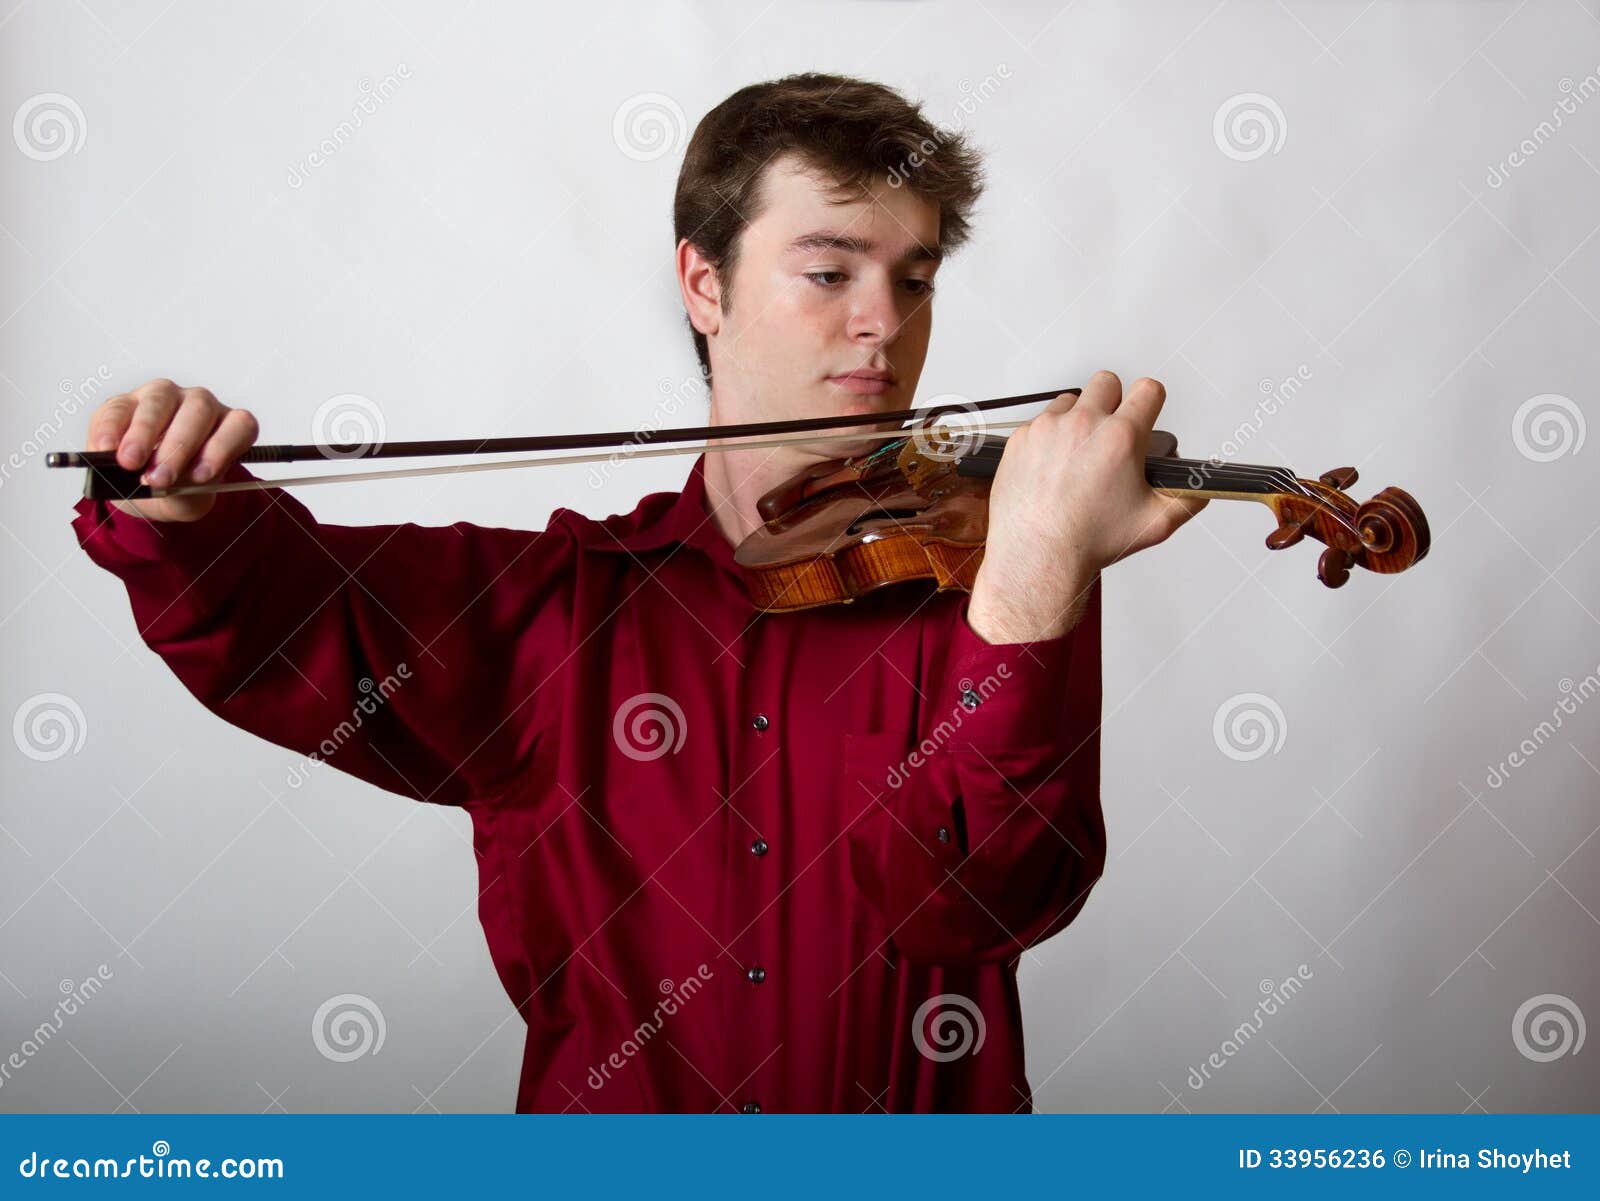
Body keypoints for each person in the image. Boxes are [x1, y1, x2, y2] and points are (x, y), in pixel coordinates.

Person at [70, 72, 1206, 1112]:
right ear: (703, 283)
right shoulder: (555, 613)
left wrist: (1031, 591)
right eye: (829, 270)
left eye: (913, 280)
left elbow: (984, 904)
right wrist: (183, 516)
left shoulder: (994, 578)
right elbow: (285, 617)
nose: (885, 320)